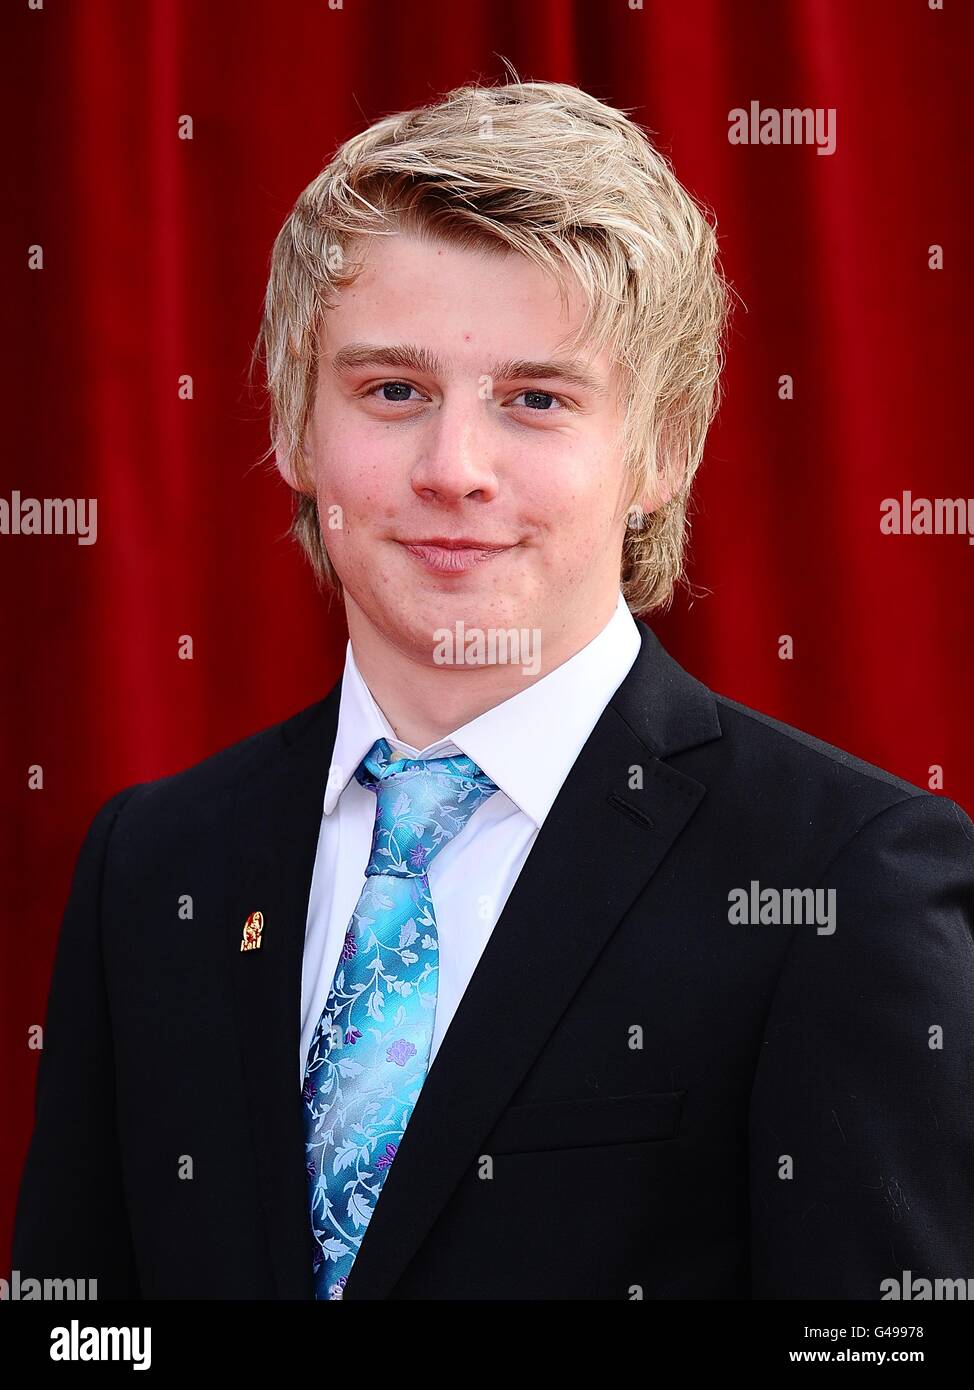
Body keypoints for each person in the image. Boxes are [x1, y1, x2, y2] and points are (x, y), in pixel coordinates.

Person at [14, 78, 974, 1301]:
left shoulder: (841, 875)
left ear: (661, 450)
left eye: (535, 399)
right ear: (299, 428)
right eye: (393, 391)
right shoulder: (153, 864)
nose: (452, 469)